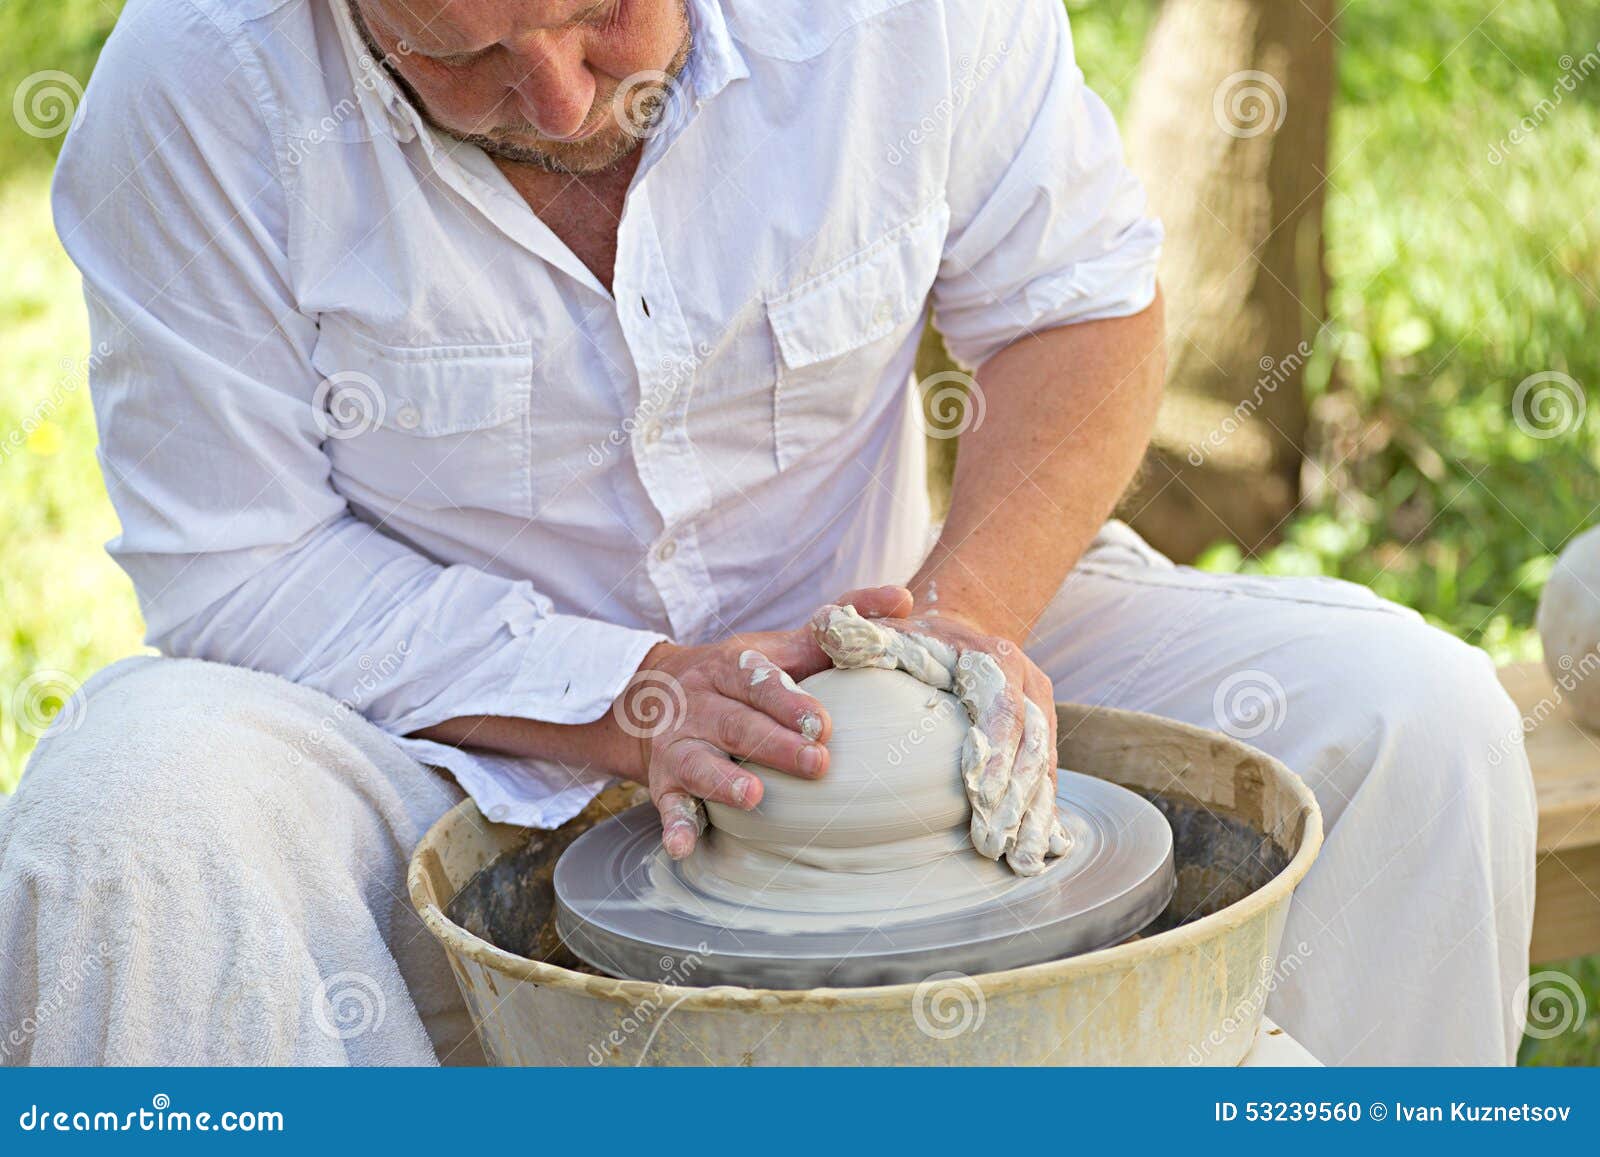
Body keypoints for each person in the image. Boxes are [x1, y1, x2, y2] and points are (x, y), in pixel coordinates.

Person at [0, 0, 1533, 1065]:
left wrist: (961, 626)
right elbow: (240, 565)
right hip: (445, 731)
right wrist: (635, 695)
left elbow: (1074, 308)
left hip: (882, 630)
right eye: (457, 51)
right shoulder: (198, 90)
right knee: (127, 813)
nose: (553, 94)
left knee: (1416, 720)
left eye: (599, 13)